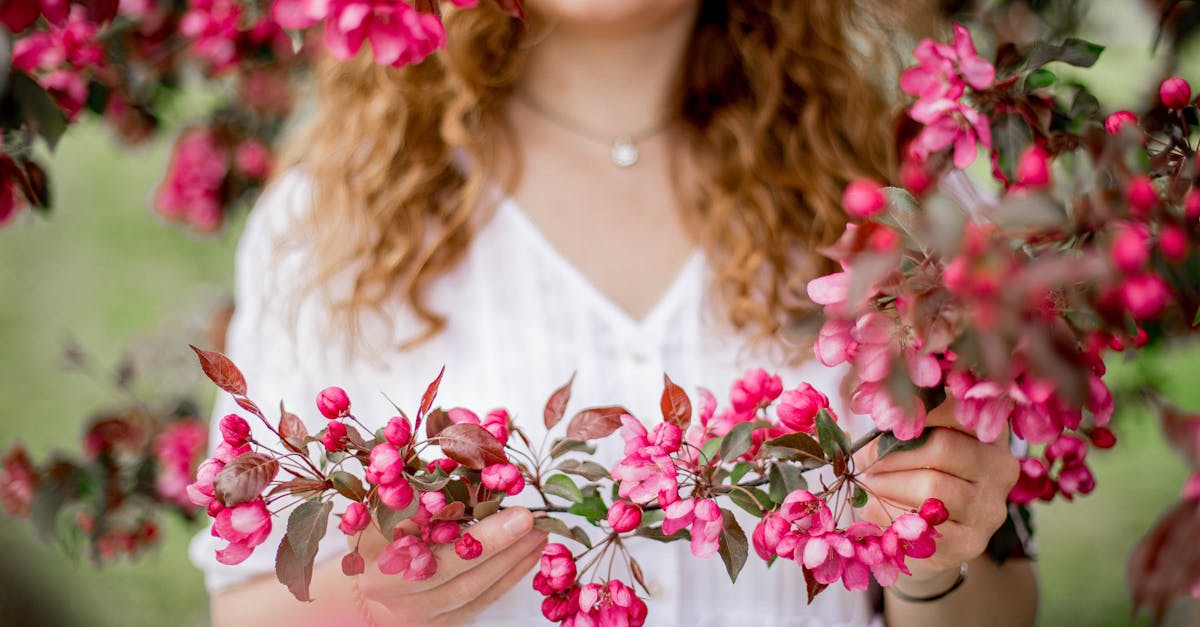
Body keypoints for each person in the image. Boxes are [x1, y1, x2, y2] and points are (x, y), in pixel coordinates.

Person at [189, 1, 1038, 625]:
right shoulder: (331, 219)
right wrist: (376, 602)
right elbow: (253, 601)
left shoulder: (897, 201)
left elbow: (1008, 600)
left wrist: (929, 560)